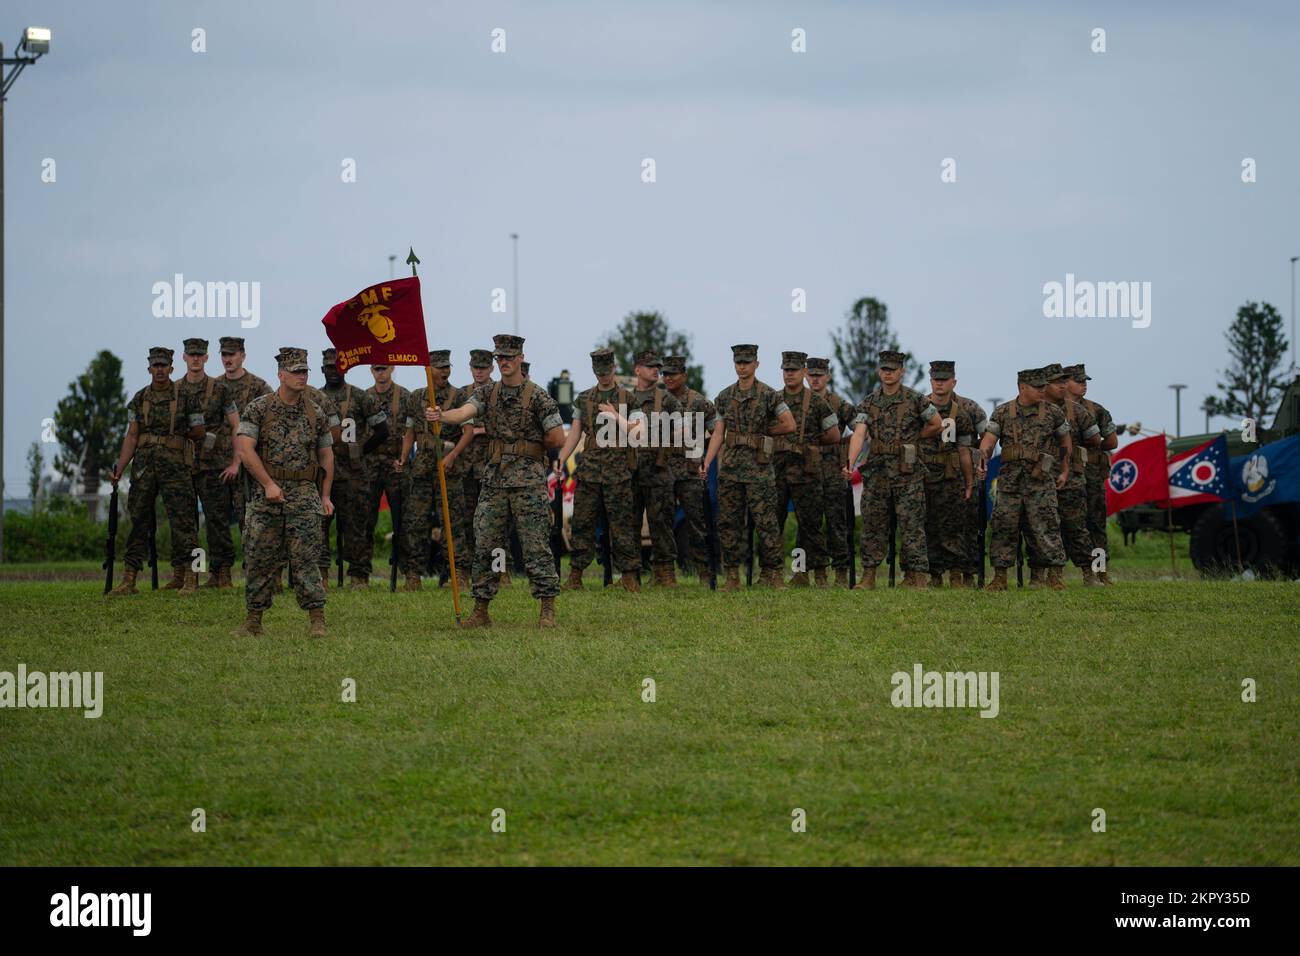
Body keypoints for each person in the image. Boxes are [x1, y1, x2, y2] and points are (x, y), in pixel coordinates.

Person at [427, 334, 565, 628]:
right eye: (499, 358)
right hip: (495, 481)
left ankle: (547, 609)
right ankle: (481, 610)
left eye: (508, 357)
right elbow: (464, 412)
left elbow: (557, 437)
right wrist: (441, 415)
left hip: (528, 482)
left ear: (519, 358)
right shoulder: (488, 393)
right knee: (486, 543)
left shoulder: (538, 396)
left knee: (535, 545)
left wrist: (528, 446)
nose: (503, 362)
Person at [234, 347, 335, 636]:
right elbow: (244, 449)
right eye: (296, 371)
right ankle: (253, 620)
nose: (302, 376)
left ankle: (317, 619)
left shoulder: (315, 412)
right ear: (281, 375)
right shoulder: (259, 408)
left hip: (304, 494)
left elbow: (327, 455)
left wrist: (325, 495)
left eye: (305, 371)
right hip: (267, 495)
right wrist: (267, 484)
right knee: (259, 557)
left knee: (306, 559)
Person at [107, 347, 205, 595]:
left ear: (172, 368)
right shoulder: (139, 399)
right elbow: (132, 435)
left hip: (176, 467)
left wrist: (177, 440)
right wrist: (119, 468)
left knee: (185, 522)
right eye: (155, 365)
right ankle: (129, 579)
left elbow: (199, 432)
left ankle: (191, 577)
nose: (160, 370)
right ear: (149, 368)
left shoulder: (186, 397)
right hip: (144, 467)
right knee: (138, 519)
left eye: (164, 365)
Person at [700, 344, 796, 590]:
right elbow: (719, 432)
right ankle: (733, 577)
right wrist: (708, 461)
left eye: (747, 362)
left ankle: (774, 575)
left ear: (756, 364)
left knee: (767, 524)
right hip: (731, 471)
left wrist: (763, 433)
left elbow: (789, 424)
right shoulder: (724, 396)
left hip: (759, 471)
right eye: (738, 362)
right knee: (729, 524)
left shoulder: (769, 395)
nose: (742, 366)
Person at [844, 351, 942, 590]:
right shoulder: (869, 402)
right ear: (879, 371)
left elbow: (937, 424)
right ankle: (868, 577)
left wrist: (913, 439)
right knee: (873, 524)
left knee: (912, 524)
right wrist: (850, 463)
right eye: (884, 369)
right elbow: (859, 433)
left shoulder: (915, 399)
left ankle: (916, 576)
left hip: (907, 472)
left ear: (901, 371)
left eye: (892, 369)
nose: (888, 373)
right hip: (877, 472)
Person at [553, 348, 643, 591]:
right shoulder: (584, 399)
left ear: (614, 368)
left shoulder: (629, 399)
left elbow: (638, 434)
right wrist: (562, 457)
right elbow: (575, 433)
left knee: (622, 524)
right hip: (590, 469)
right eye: (599, 371)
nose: (603, 376)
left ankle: (629, 576)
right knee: (583, 522)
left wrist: (615, 416)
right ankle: (575, 576)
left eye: (607, 370)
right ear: (594, 371)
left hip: (618, 470)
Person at [978, 368, 1072, 592]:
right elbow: (989, 441)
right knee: (1003, 528)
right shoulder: (1002, 412)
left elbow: (1066, 444)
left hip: (1041, 482)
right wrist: (982, 458)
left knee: (1046, 527)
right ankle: (1000, 578)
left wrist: (1065, 470)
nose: (1042, 390)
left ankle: (1054, 576)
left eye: (1043, 387)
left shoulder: (1054, 413)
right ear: (1022, 387)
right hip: (1010, 483)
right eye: (1037, 387)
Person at [396, 350, 471, 591]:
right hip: (421, 466)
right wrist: (403, 458)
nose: (445, 371)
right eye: (440, 367)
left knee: (452, 521)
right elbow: (410, 432)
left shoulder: (458, 396)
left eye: (447, 366)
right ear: (428, 369)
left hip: (447, 465)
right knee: (415, 521)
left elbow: (468, 432)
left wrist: (453, 455)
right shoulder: (416, 397)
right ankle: (413, 575)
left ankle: (457, 574)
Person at [321, 348, 388, 588]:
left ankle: (359, 575)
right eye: (329, 367)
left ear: (345, 368)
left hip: (354, 475)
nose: (333, 371)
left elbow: (383, 429)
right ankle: (321, 575)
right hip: (324, 475)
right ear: (322, 370)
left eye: (337, 366)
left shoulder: (360, 397)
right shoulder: (313, 398)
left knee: (356, 526)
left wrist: (362, 450)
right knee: (319, 527)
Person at [773, 351, 841, 586]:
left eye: (793, 370)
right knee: (774, 523)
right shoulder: (773, 399)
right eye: (786, 370)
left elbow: (834, 434)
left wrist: (810, 446)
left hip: (806, 472)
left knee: (810, 525)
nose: (789, 374)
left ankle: (819, 572)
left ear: (803, 372)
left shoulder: (816, 401)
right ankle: (779, 574)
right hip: (778, 472)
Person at [176, 338, 240, 588]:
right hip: (183, 466)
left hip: (214, 466)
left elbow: (237, 426)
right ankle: (190, 573)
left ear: (205, 358)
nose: (194, 359)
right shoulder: (175, 390)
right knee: (185, 522)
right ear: (184, 357)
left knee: (217, 521)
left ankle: (221, 573)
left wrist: (236, 462)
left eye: (199, 355)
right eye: (190, 354)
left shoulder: (220, 390)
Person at [1044, 363, 1103, 585]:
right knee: (1044, 527)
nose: (1061, 385)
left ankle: (1090, 573)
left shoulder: (1077, 410)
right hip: (1040, 478)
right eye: (1056, 382)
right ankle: (1047, 575)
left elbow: (1096, 439)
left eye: (1063, 381)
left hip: (1071, 478)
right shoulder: (1033, 411)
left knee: (1076, 526)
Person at [628, 350, 682, 586]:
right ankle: (631, 574)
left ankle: (665, 572)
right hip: (630, 472)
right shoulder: (625, 399)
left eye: (657, 366)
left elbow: (684, 428)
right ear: (637, 369)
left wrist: (660, 439)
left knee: (661, 522)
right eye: (649, 366)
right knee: (629, 524)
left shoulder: (666, 399)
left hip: (658, 471)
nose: (655, 370)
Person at [661, 354, 717, 580]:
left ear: (684, 375)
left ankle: (704, 570)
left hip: (690, 470)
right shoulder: (657, 401)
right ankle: (664, 573)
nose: (668, 378)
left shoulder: (699, 403)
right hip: (662, 469)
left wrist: (707, 460)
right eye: (665, 374)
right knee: (662, 521)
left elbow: (717, 434)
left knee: (697, 522)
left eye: (673, 374)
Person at [920, 360, 976, 587]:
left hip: (950, 478)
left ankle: (955, 573)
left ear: (953, 382)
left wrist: (969, 481)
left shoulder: (960, 413)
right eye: (936, 379)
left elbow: (964, 451)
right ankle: (934, 575)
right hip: (923, 475)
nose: (940, 384)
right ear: (931, 380)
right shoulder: (920, 407)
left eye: (944, 380)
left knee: (952, 527)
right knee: (928, 525)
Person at [805, 357, 857, 586]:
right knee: (809, 522)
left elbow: (861, 430)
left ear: (828, 376)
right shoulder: (800, 403)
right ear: (806, 376)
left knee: (837, 522)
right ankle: (811, 571)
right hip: (807, 469)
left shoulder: (839, 404)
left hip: (834, 469)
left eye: (820, 375)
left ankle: (841, 572)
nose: (815, 379)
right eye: (812, 375)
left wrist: (850, 456)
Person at [1065, 363, 1119, 584]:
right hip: (1067, 476)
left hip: (1092, 476)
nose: (1083, 385)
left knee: (1095, 524)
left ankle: (1100, 572)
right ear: (1065, 382)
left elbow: (1112, 441)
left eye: (1085, 381)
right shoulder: (1052, 409)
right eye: (1078, 381)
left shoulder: (1096, 410)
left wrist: (1090, 447)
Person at [219, 336, 271, 557]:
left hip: (250, 467)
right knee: (217, 521)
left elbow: (270, 425)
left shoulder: (259, 387)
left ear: (243, 355)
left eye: (232, 354)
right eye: (224, 354)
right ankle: (219, 573)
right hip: (219, 465)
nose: (228, 359)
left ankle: (255, 568)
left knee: (249, 520)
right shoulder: (215, 387)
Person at [362, 364, 410, 581]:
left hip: (396, 464)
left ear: (391, 369)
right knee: (365, 519)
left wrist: (405, 457)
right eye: (376, 369)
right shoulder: (364, 397)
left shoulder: (405, 396)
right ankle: (361, 572)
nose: (380, 373)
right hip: (370, 464)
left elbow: (412, 430)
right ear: (371, 371)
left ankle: (406, 570)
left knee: (402, 520)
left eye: (384, 368)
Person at [458, 349, 496, 576]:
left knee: (495, 521)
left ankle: (500, 570)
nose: (479, 372)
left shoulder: (498, 393)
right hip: (466, 467)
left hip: (491, 466)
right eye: (475, 367)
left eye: (483, 368)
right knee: (466, 519)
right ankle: (469, 568)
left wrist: (481, 429)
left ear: (491, 369)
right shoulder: (462, 394)